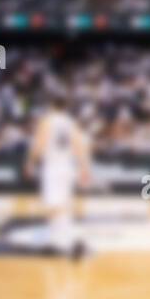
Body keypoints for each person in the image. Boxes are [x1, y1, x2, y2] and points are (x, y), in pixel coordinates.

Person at [25, 94, 91, 261]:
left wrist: (31, 162)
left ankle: (71, 241)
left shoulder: (47, 121)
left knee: (53, 205)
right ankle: (59, 242)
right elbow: (79, 146)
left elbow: (39, 143)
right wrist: (84, 168)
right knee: (63, 204)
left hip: (53, 166)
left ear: (52, 106)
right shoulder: (71, 122)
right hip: (68, 166)